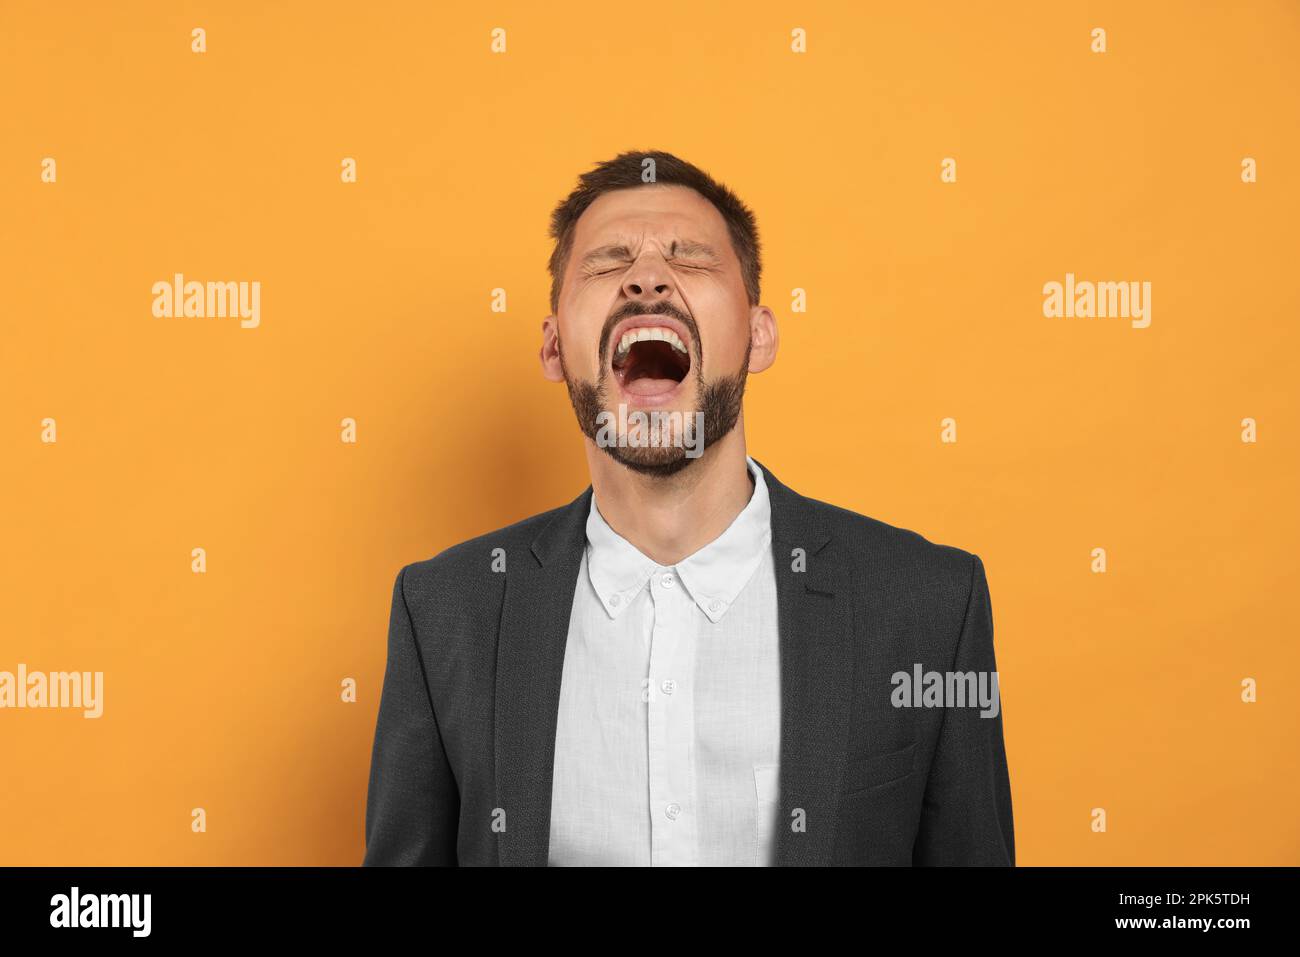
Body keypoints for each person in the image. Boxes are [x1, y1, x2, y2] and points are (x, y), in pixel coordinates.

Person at [363, 150, 1014, 866]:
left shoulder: (927, 606)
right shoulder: (446, 613)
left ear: (758, 335)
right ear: (554, 346)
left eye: (691, 258)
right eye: (609, 262)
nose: (647, 277)